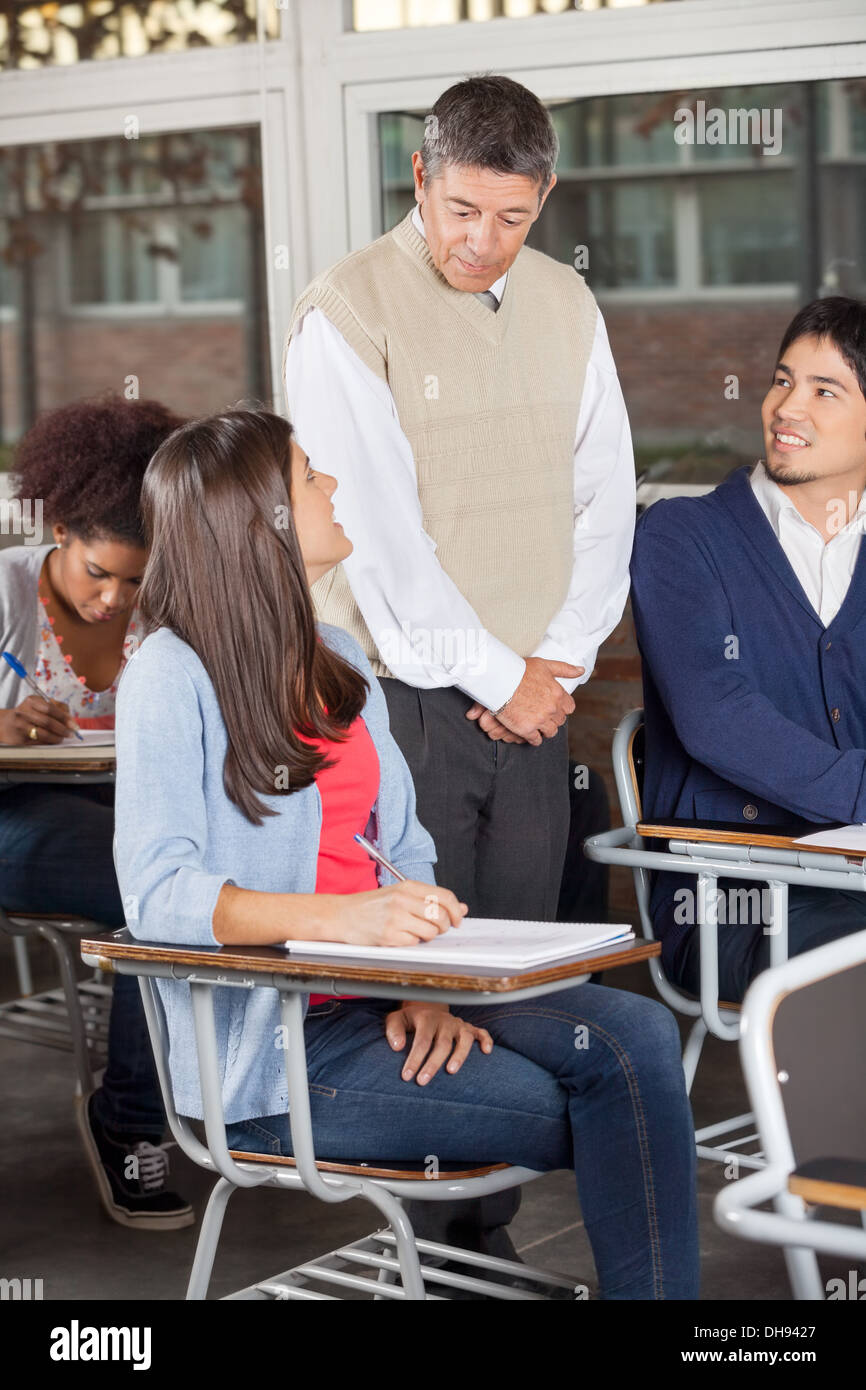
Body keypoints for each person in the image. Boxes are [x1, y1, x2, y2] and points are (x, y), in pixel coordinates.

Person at [113, 406, 698, 1300]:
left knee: (638, 1037)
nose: (335, 485)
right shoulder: (170, 674)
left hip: (384, 996)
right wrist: (344, 922)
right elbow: (158, 894)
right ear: (258, 517)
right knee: (588, 1099)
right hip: (280, 1051)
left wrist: (423, 986)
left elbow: (405, 848)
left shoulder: (339, 658)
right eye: (311, 475)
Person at [284, 74, 635, 1261]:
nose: (482, 244)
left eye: (512, 219)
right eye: (461, 211)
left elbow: (605, 498)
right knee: (419, 992)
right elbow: (379, 541)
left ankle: (478, 1238)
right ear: (419, 180)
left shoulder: (564, 302)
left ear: (544, 202)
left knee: (512, 981)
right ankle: (429, 1254)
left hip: (534, 706)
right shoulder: (343, 309)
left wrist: (559, 658)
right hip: (405, 708)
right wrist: (505, 674)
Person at [630, 296, 866, 1003]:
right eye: (784, 380)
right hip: (732, 900)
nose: (789, 407)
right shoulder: (681, 538)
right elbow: (716, 716)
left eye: (826, 390)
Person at [0, 393, 193, 1229]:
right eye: (97, 572)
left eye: (136, 579)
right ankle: (131, 1123)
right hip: (14, 818)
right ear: (63, 531)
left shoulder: (172, 611)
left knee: (198, 876)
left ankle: (244, 1099)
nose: (115, 600)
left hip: (120, 810)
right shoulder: (4, 591)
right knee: (148, 888)